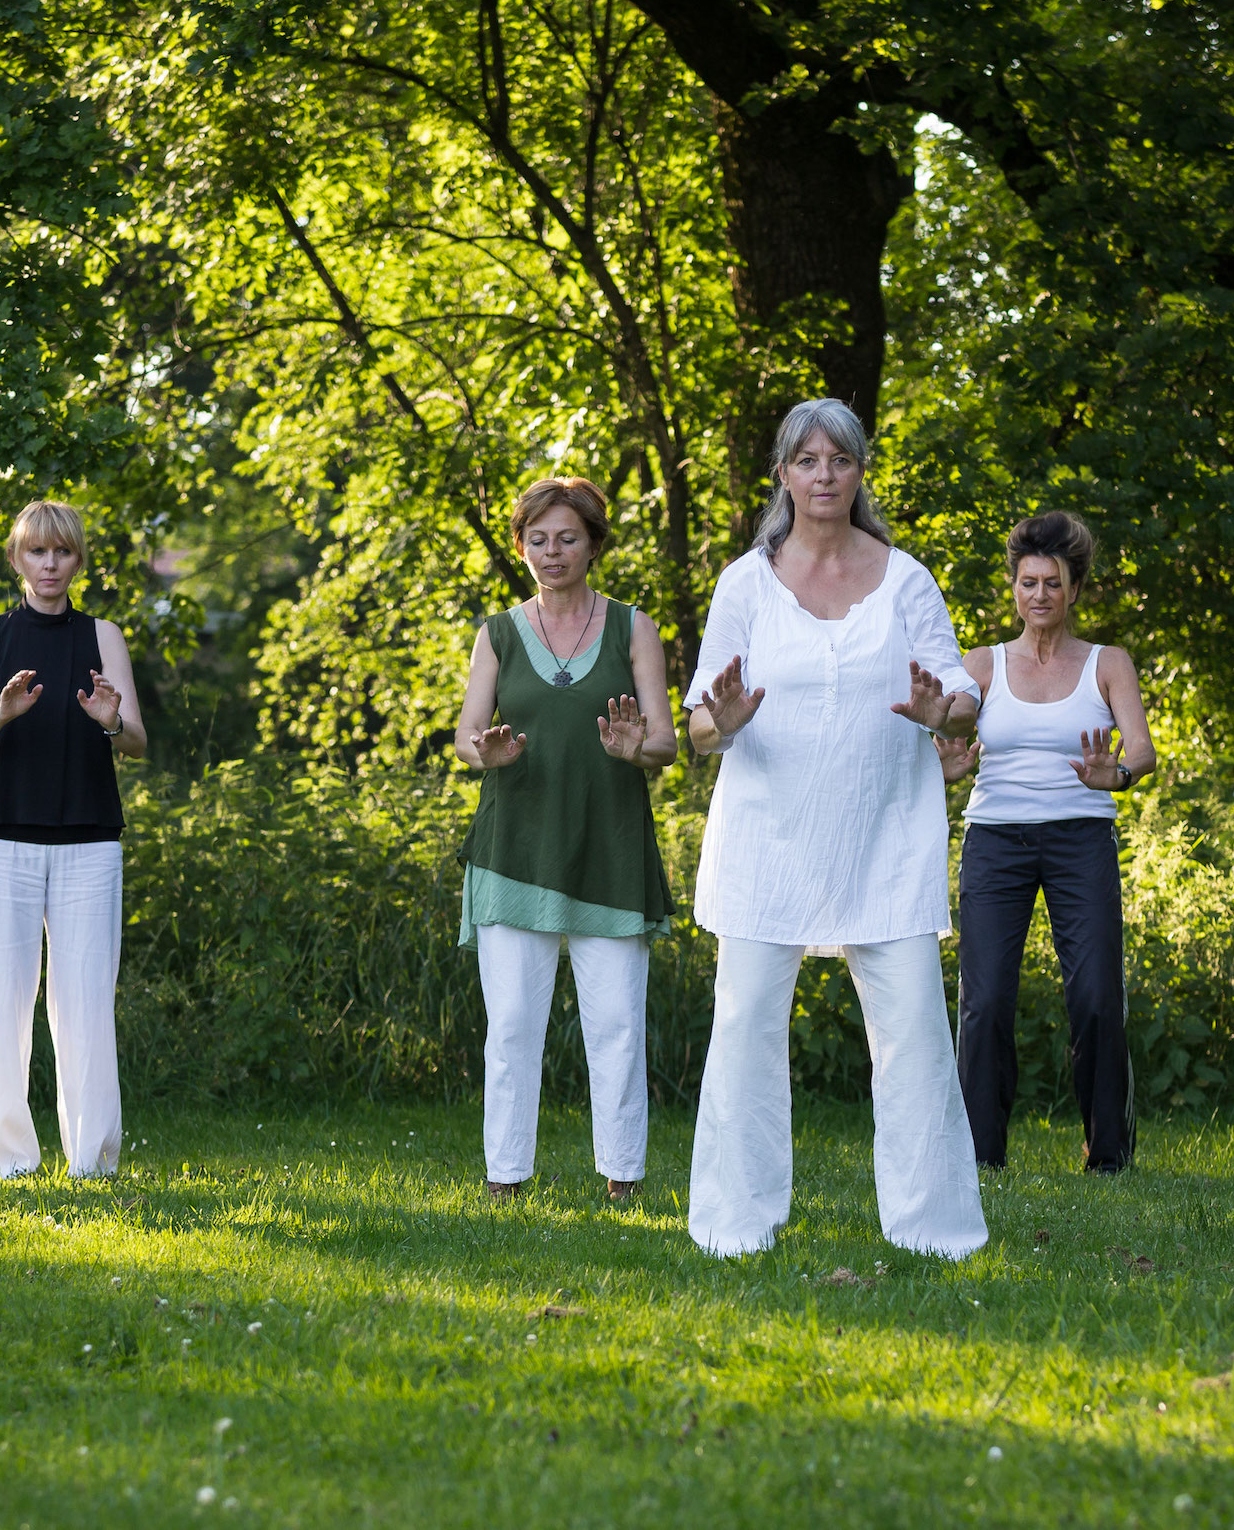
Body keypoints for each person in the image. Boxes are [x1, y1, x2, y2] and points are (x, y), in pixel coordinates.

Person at [682, 397, 988, 1260]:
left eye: (840, 461)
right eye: (808, 461)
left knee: (918, 1038)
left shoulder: (906, 578)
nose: (824, 476)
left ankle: (937, 1233)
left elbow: (961, 698)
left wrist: (946, 710)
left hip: (886, 842)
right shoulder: (745, 582)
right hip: (764, 847)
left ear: (860, 474)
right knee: (743, 1034)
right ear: (782, 473)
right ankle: (734, 1228)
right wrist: (725, 717)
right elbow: (700, 726)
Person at [453, 476, 678, 1200]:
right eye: (539, 539)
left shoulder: (632, 627)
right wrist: (480, 753)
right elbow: (465, 734)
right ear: (521, 546)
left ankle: (623, 1177)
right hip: (514, 851)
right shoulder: (497, 633)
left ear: (593, 544)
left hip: (608, 851)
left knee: (617, 1026)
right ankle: (506, 1177)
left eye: (568, 538)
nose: (553, 552)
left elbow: (666, 743)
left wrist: (634, 751)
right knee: (513, 1027)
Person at [938, 510, 1156, 1174]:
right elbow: (947, 727)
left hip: (1081, 838)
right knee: (986, 1000)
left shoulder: (1107, 663)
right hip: (996, 841)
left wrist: (1110, 775)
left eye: (1052, 583)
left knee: (1094, 995)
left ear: (1075, 589)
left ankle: (1108, 1153)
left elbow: (1141, 756)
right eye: (1028, 582)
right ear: (1013, 587)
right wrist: (945, 762)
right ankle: (979, 1155)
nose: (1039, 595)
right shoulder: (980, 665)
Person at [0, 501, 146, 1179]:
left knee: (87, 1002)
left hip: (90, 839)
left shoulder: (103, 635)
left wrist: (112, 722)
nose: (51, 564)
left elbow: (139, 742)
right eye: (38, 552)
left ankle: (92, 1162)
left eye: (62, 553)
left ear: (78, 560)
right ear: (17, 559)